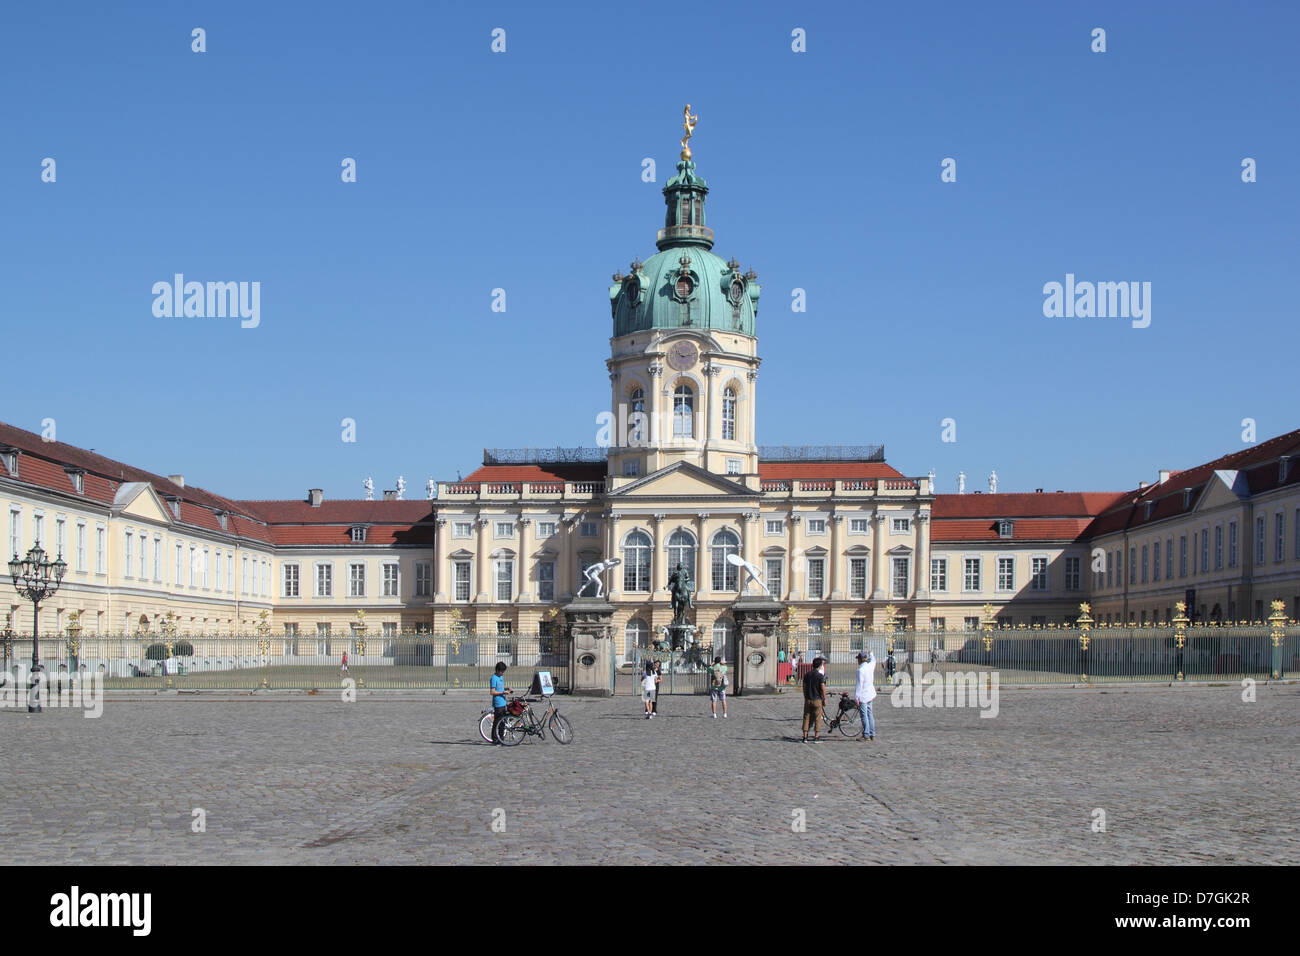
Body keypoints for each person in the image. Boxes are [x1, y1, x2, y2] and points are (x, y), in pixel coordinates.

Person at [801, 656, 828, 742]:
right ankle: (816, 737)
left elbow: (804, 687)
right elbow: (823, 688)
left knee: (806, 717)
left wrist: (805, 696)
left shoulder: (807, 675)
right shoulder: (820, 676)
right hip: (817, 699)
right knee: (817, 718)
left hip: (808, 699)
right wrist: (824, 699)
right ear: (820, 666)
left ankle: (805, 736)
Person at [854, 650, 878, 741]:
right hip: (870, 693)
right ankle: (872, 733)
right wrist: (871, 653)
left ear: (860, 660)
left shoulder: (861, 670)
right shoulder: (870, 666)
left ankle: (866, 734)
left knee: (864, 715)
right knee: (870, 714)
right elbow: (874, 660)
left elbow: (859, 685)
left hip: (863, 695)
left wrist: (856, 697)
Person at [490, 663, 511, 744]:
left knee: (502, 722)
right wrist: (503, 692)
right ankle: (495, 738)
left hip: (503, 702)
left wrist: (507, 688)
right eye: (502, 671)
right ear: (497, 670)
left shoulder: (501, 677)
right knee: (497, 722)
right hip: (498, 703)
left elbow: (500, 687)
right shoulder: (493, 678)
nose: (503, 673)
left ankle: (501, 738)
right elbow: (492, 691)